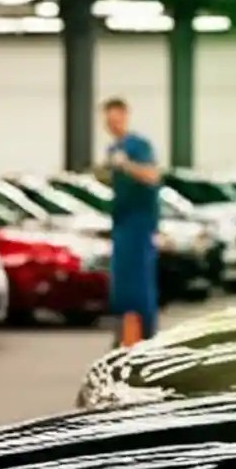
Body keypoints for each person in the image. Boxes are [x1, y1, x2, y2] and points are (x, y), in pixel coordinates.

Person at [101, 98, 161, 346]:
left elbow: (152, 176)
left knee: (138, 282)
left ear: (125, 116)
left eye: (116, 119)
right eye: (108, 121)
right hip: (122, 222)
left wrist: (126, 165)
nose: (112, 125)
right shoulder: (113, 148)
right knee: (122, 283)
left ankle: (145, 336)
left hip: (139, 223)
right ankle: (125, 336)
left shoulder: (138, 145)